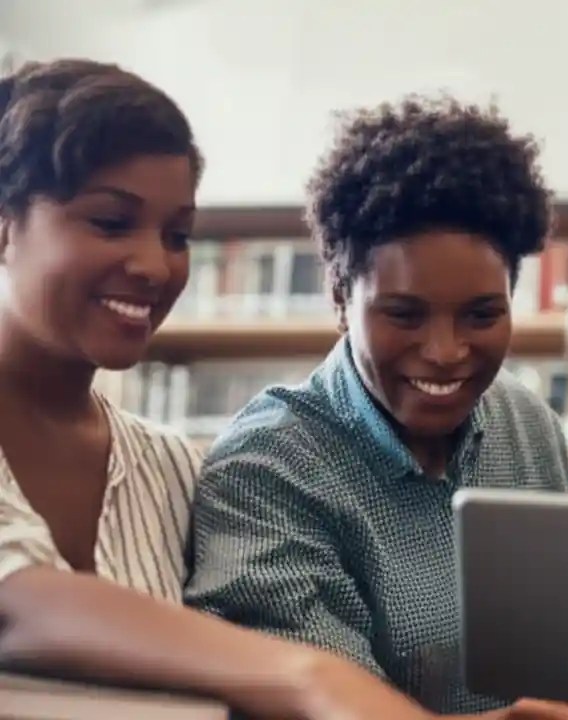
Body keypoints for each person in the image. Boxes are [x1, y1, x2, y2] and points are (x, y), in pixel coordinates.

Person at [0, 58, 465, 720]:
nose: (155, 265)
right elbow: (16, 609)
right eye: (109, 222)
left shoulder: (177, 470)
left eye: (178, 235)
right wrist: (314, 677)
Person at [183, 95, 568, 719]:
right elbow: (320, 705)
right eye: (403, 314)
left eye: (482, 314)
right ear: (338, 295)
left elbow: (559, 649)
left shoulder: (526, 423)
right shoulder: (265, 473)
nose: (446, 352)